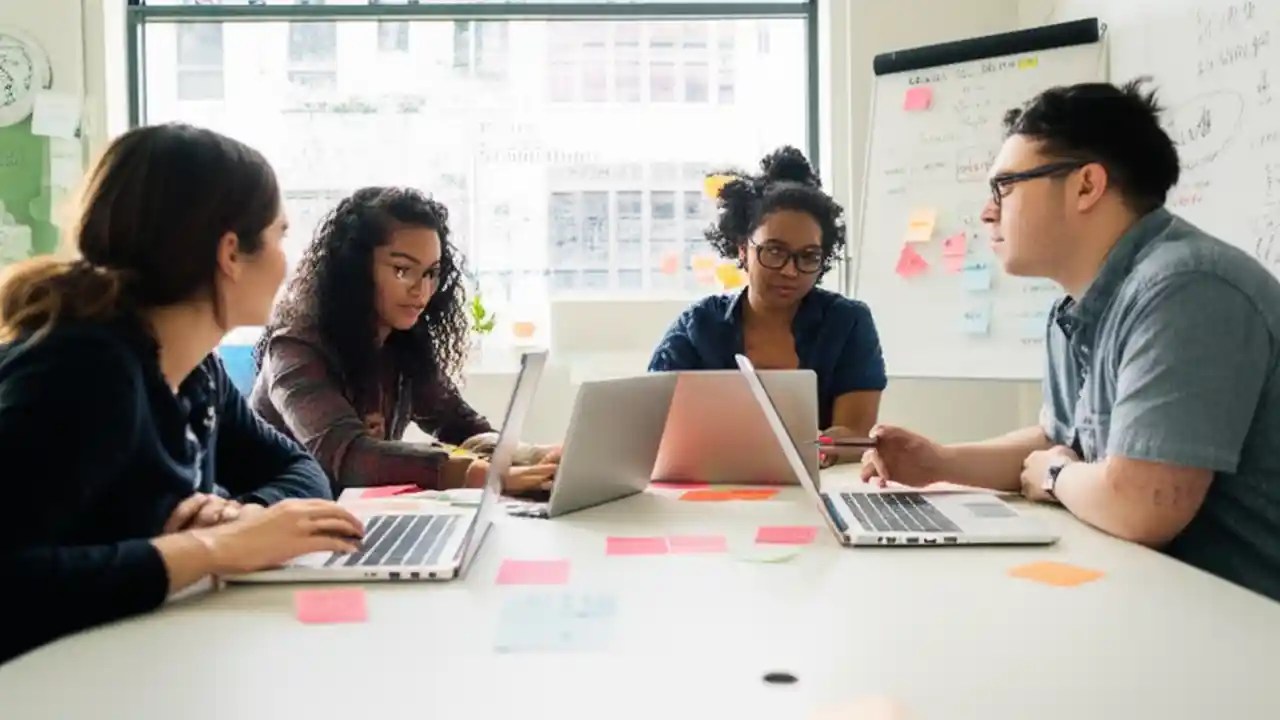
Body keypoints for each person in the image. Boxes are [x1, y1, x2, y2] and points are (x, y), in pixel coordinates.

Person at [857, 79, 1280, 602]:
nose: (988, 213)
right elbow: (1058, 440)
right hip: (1150, 598)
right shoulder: (1076, 308)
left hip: (1248, 627)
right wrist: (937, 462)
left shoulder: (1188, 289)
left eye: (1004, 187)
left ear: (1086, 186)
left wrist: (1058, 476)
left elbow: (1140, 503)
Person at [0, 124, 364, 664]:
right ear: (231, 253)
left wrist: (245, 517)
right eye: (281, 235)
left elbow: (301, 469)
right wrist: (209, 549)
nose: (288, 263)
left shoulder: (198, 373)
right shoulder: (82, 371)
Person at [251, 187, 557, 496]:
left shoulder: (402, 344)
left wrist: (535, 458)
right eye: (402, 270)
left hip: (348, 519)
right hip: (276, 529)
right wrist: (480, 474)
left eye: (430, 273)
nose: (421, 291)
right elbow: (349, 457)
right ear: (354, 268)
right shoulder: (294, 349)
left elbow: (459, 426)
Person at [648, 146, 887, 458]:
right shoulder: (698, 327)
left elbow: (856, 435)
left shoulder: (848, 322)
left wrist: (817, 449)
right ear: (742, 250)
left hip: (819, 491)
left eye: (808, 257)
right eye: (774, 251)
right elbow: (647, 426)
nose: (790, 270)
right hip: (717, 488)